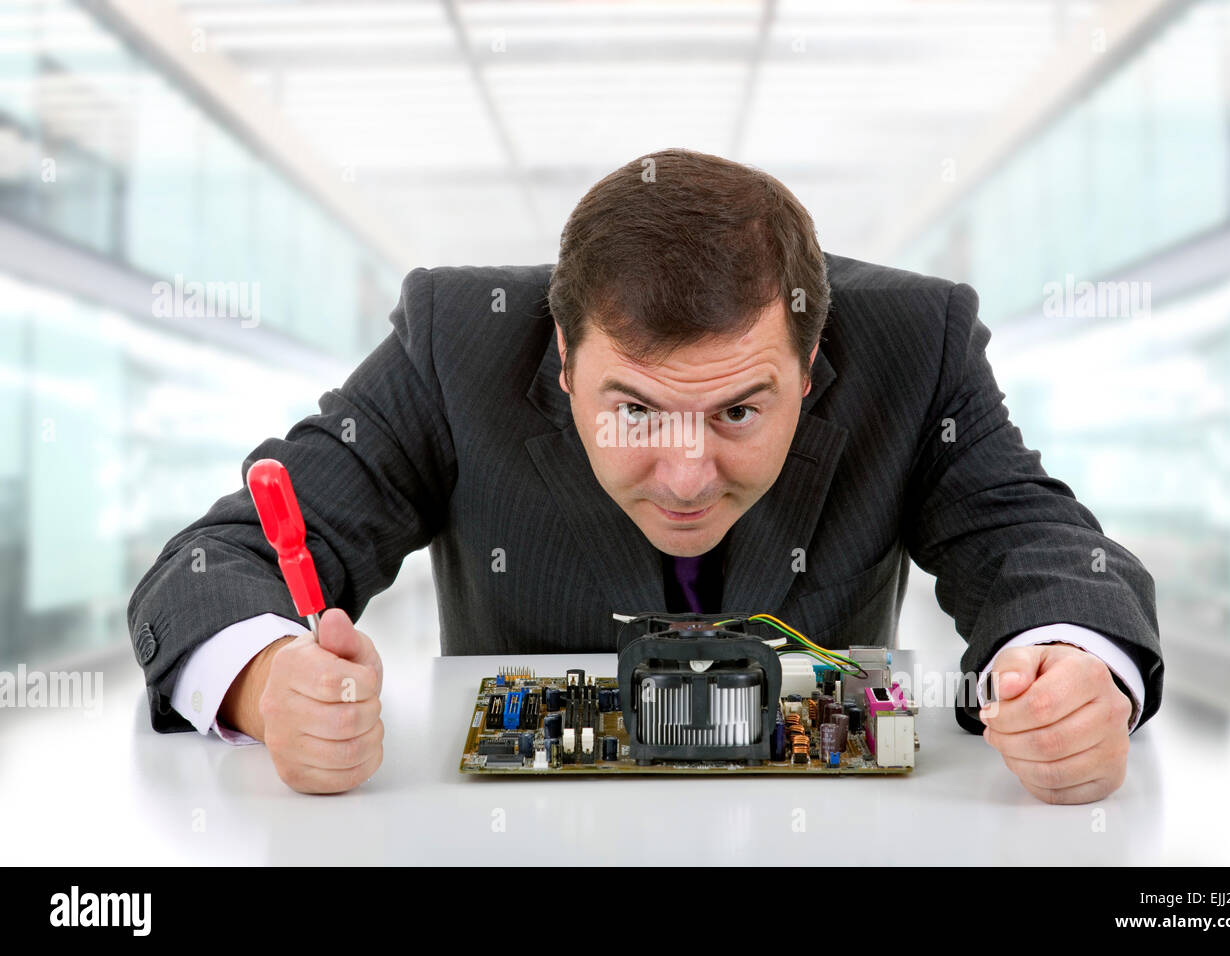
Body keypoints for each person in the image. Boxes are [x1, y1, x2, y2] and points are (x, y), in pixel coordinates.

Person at [127, 148, 1161, 801]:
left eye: (739, 410)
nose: (685, 474)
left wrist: (1069, 663)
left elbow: (1034, 538)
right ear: (562, 361)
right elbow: (216, 560)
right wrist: (267, 683)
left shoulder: (914, 340)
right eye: (632, 408)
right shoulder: (457, 342)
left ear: (811, 363)